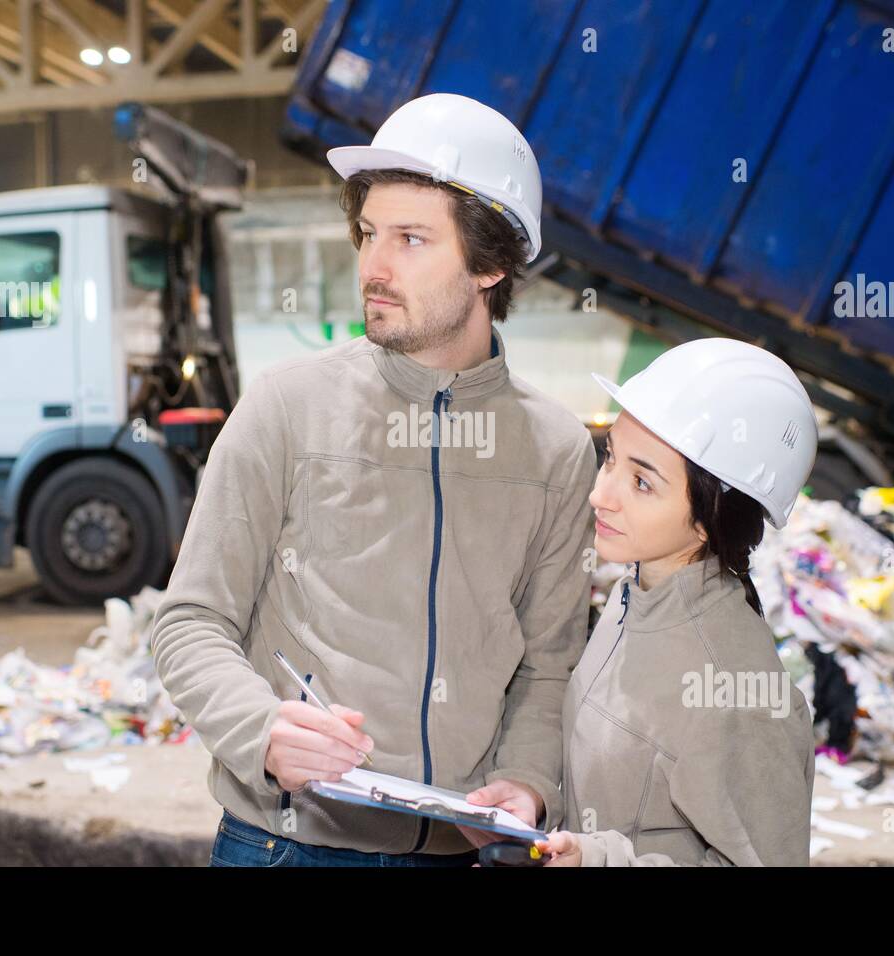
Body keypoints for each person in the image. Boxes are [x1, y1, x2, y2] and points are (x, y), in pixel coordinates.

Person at [149, 92, 596, 866]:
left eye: (411, 240)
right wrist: (261, 729)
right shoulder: (287, 408)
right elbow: (189, 621)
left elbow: (548, 664)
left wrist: (525, 782)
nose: (373, 267)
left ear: (489, 263)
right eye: (367, 234)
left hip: (462, 851)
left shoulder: (554, 450)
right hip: (286, 847)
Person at [535, 338, 818, 867]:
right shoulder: (633, 599)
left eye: (642, 482)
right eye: (611, 459)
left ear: (711, 511)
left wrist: (598, 861)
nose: (601, 494)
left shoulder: (736, 693)